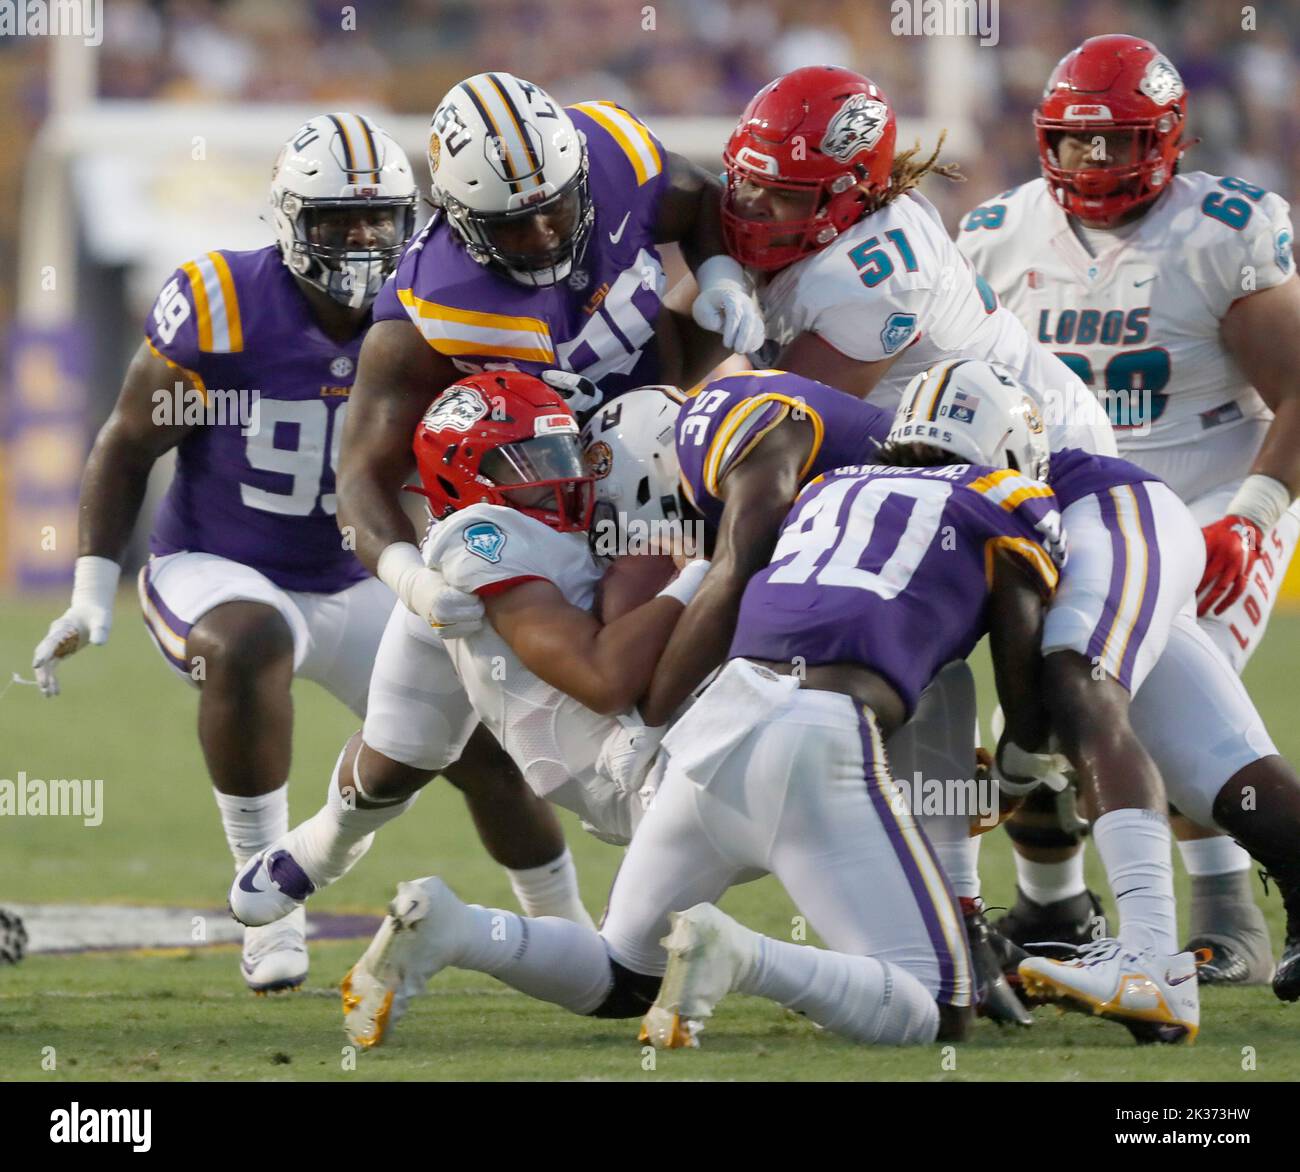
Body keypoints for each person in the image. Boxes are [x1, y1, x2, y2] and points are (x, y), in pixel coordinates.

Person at [341, 369, 1072, 1050]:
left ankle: (454, 928)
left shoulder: (820, 491)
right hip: (811, 741)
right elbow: (1014, 705)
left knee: (622, 974)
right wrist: (1006, 789)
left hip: (707, 739)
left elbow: (735, 585)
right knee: (939, 1009)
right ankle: (741, 955)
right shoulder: (1002, 503)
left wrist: (657, 707)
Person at [228, 71, 762, 927]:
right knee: (404, 750)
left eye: (554, 203)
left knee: (640, 678)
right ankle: (329, 840)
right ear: (463, 219)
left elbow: (694, 202)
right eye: (516, 221)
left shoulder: (608, 153)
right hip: (523, 513)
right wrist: (408, 576)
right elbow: (361, 477)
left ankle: (646, 874)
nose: (546, 228)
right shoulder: (432, 307)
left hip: (646, 471)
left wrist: (724, 275)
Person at [30, 113, 434, 992]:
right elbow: (129, 441)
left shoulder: (438, 303)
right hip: (221, 563)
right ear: (292, 220)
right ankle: (271, 905)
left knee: (487, 734)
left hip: (363, 573)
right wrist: (92, 593)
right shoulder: (223, 298)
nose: (362, 239)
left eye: (378, 219)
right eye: (337, 219)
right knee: (250, 644)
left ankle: (576, 937)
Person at [958, 34, 1300, 983]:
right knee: (1030, 710)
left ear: (1170, 139)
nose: (1093, 163)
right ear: (1045, 140)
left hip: (1210, 493)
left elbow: (1298, 384)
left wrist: (1258, 509)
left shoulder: (1224, 229)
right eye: (1075, 143)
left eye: (1117, 143)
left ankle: (1226, 913)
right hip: (1069, 503)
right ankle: (1052, 907)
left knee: (1147, 701)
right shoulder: (995, 232)